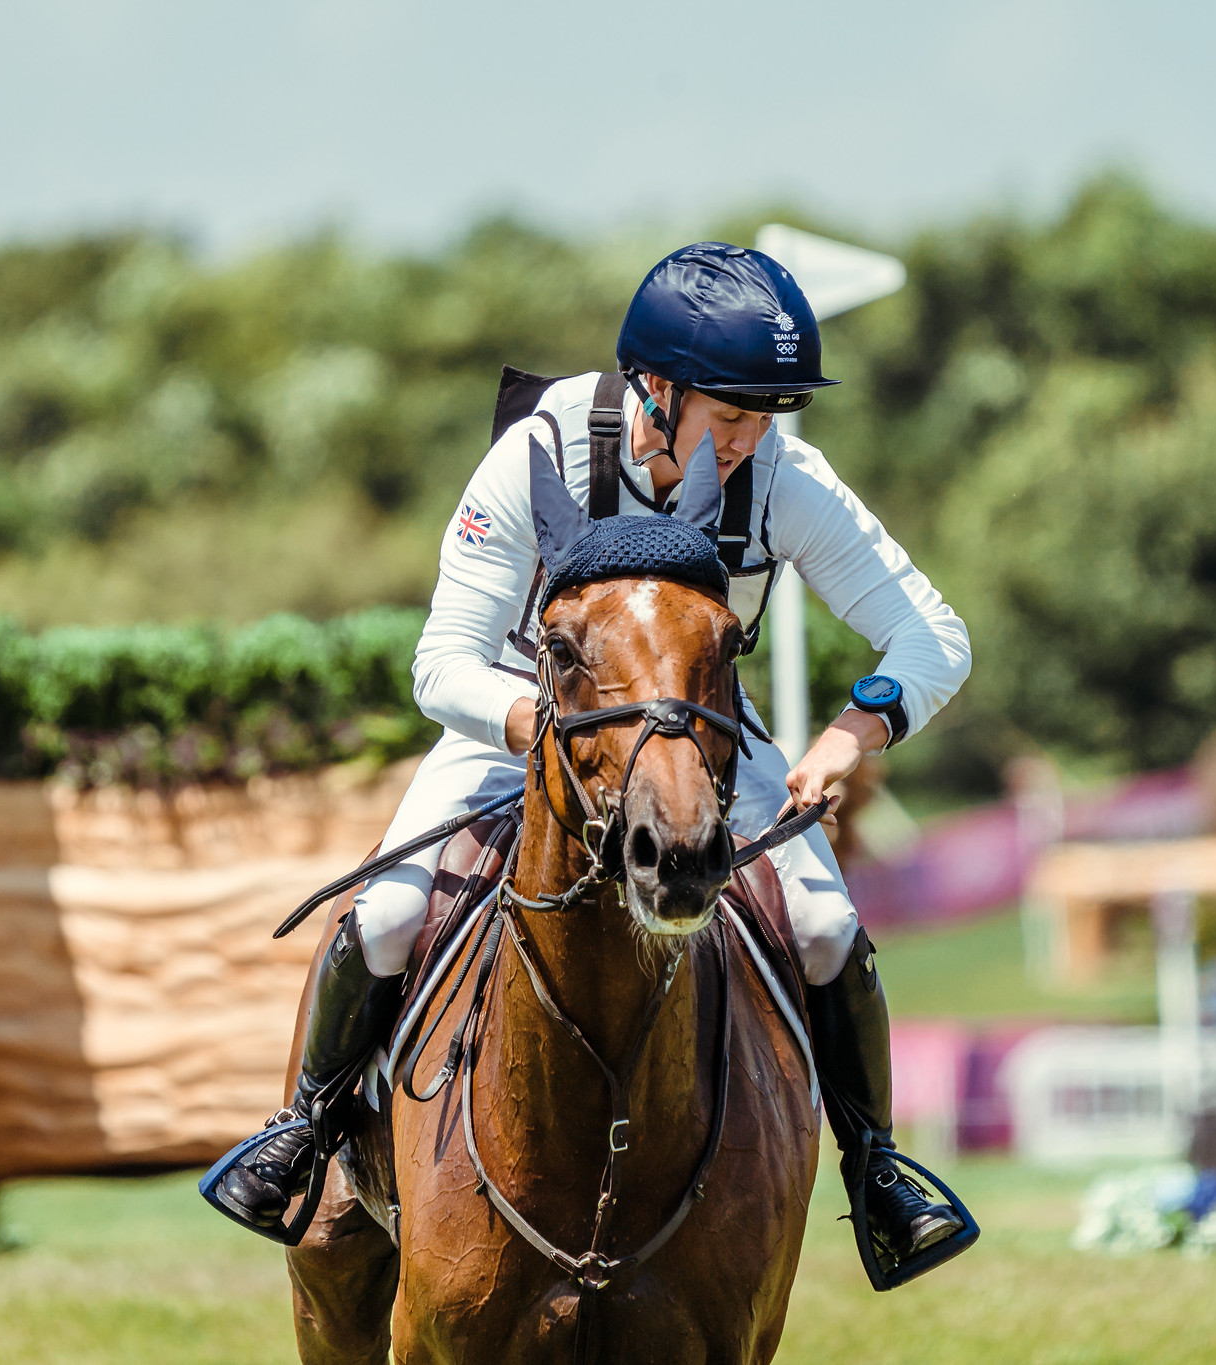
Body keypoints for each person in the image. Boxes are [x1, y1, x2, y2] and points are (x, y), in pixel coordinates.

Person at [210, 242, 974, 1272]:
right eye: (734, 413)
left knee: (829, 925)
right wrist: (543, 733)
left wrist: (851, 732)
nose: (753, 439)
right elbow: (441, 665)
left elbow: (932, 636)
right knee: (389, 911)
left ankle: (874, 1169)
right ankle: (304, 1130)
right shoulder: (543, 451)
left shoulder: (782, 475)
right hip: (527, 724)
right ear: (655, 389)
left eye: (765, 416)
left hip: (705, 740)